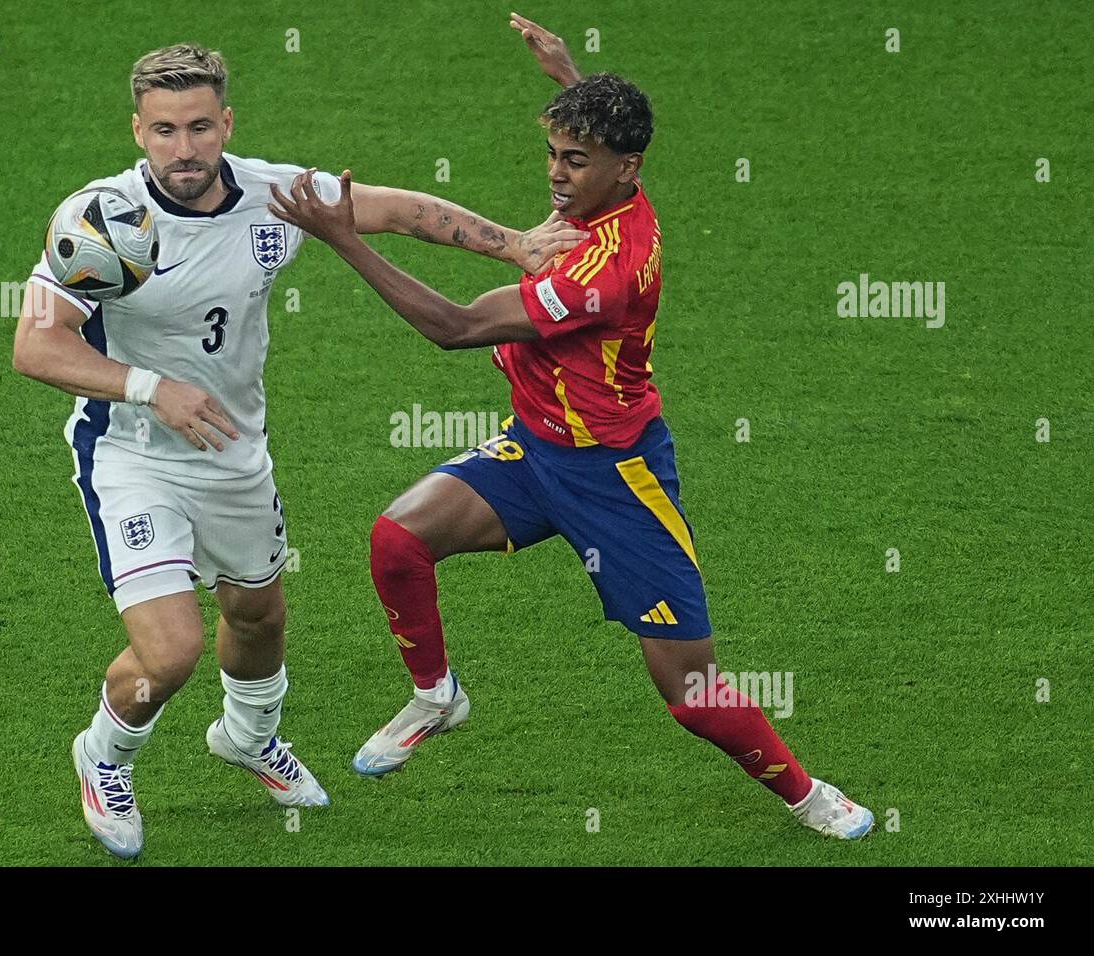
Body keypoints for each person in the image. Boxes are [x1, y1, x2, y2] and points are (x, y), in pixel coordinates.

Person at [265, 15, 875, 840]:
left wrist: (343, 241)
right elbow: (607, 137)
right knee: (397, 540)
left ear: (625, 170)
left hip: (616, 477)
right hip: (536, 449)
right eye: (553, 153)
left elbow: (451, 327)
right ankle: (437, 698)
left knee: (691, 697)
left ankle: (809, 796)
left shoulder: (600, 274)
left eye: (574, 161)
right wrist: (569, 76)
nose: (556, 176)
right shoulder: (620, 188)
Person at [12, 42, 586, 859]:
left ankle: (247, 736)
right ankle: (104, 754)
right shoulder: (98, 220)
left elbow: (393, 209)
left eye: (201, 127)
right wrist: (150, 388)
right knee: (169, 652)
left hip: (236, 451)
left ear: (226, 124)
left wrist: (516, 246)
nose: (185, 149)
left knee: (258, 612)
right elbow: (35, 347)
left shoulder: (271, 194)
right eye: (166, 130)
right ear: (139, 131)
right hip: (134, 455)